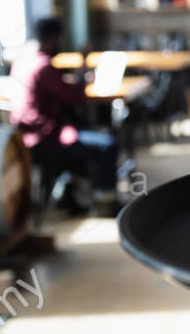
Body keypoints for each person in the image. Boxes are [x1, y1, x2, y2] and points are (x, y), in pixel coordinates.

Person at [10, 17, 119, 211]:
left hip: (22, 138)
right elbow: (74, 96)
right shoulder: (44, 67)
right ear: (53, 39)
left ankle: (71, 196)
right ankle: (105, 203)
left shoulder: (21, 63)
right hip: (44, 140)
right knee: (107, 144)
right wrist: (84, 65)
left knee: (82, 131)